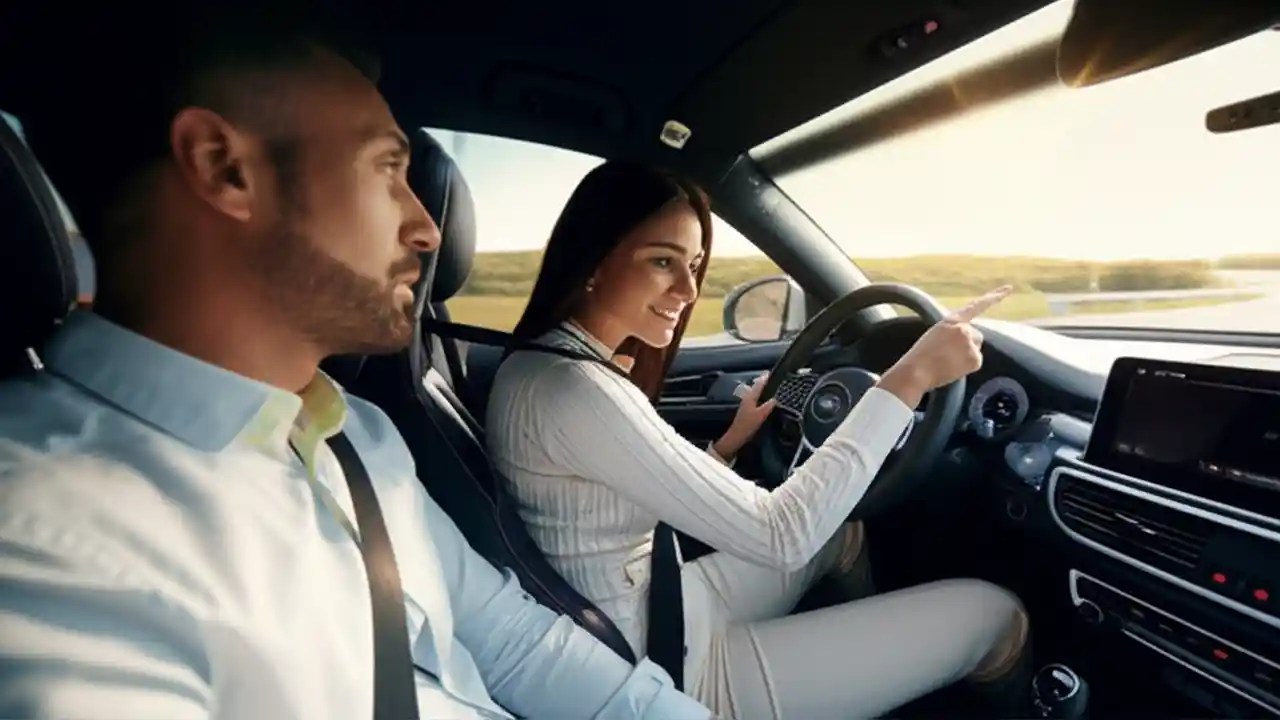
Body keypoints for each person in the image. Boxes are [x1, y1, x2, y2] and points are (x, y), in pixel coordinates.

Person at [0, 5, 711, 719]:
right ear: (225, 168)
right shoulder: (44, 539)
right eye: (387, 167)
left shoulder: (354, 433)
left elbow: (509, 638)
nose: (427, 227)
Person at [486, 162, 1030, 720]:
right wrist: (907, 380)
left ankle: (872, 679)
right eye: (662, 261)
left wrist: (724, 448)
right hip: (671, 670)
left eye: (694, 265)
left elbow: (615, 489)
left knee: (842, 534)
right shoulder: (576, 389)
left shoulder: (545, 364)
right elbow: (783, 535)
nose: (689, 289)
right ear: (594, 259)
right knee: (997, 614)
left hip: (665, 600)